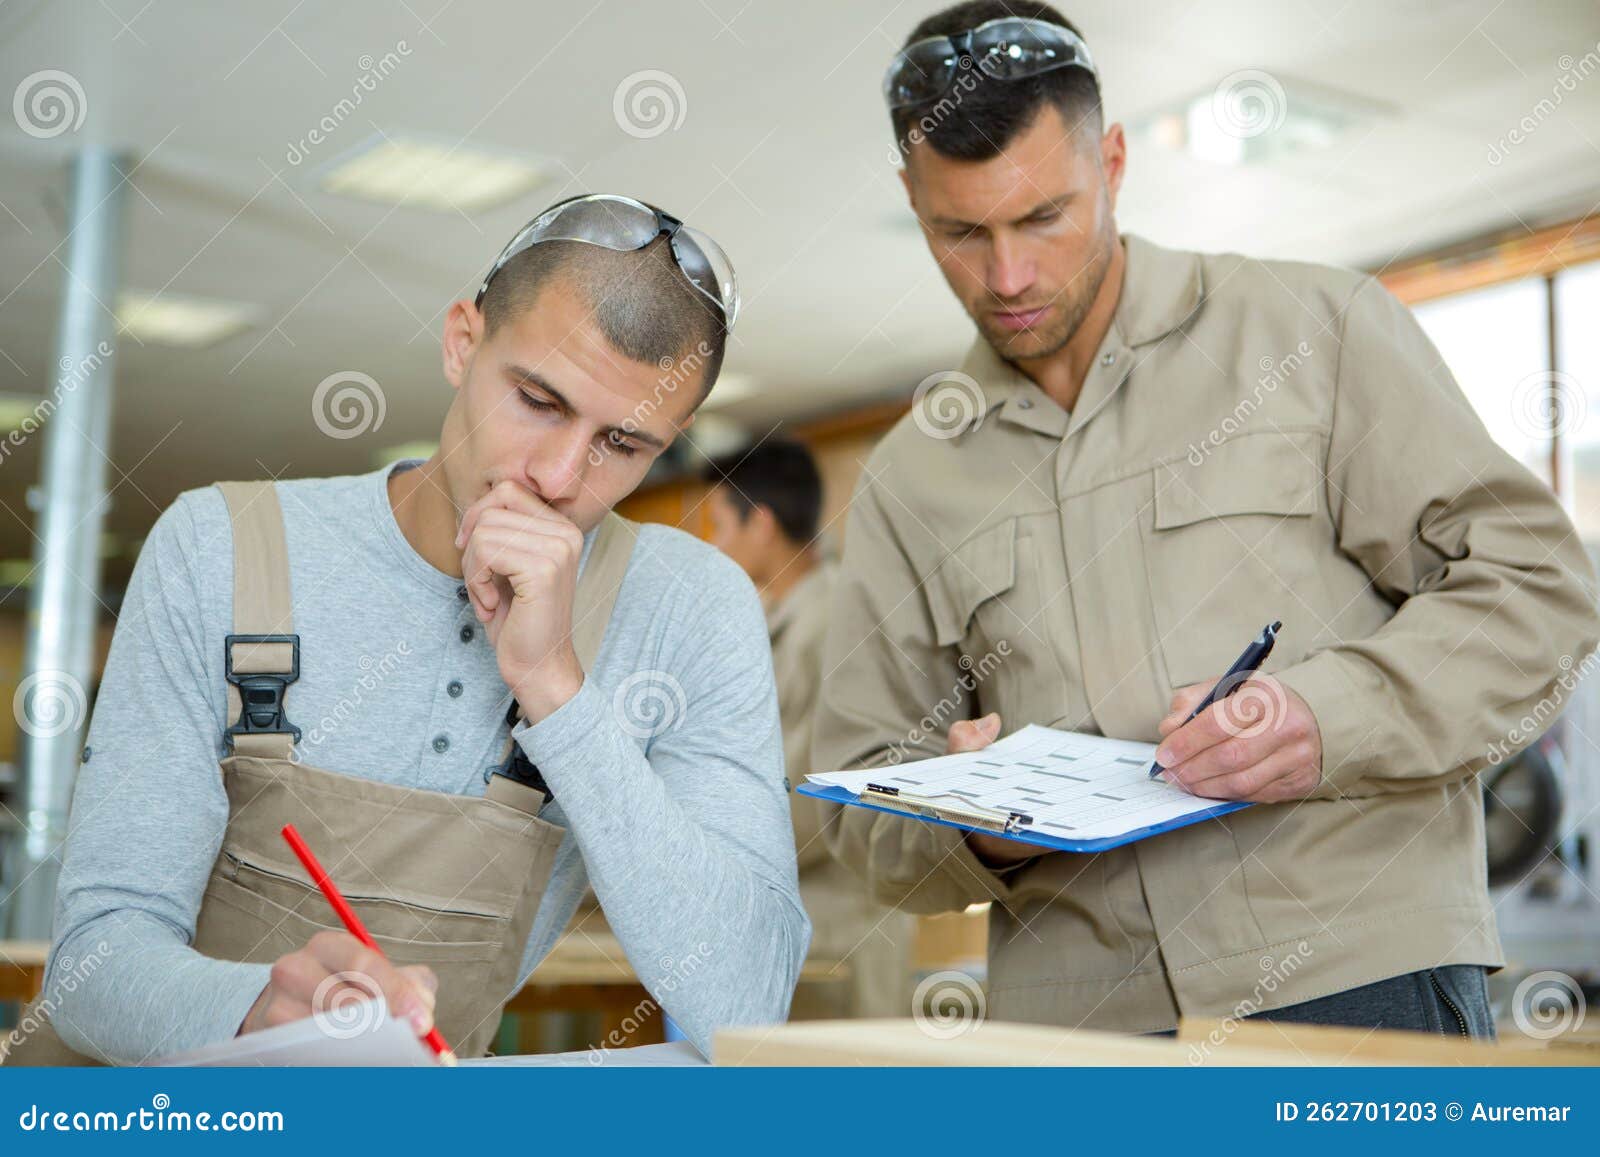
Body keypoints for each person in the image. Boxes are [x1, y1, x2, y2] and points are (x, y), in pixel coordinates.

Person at [813, 2, 1600, 1037]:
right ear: (913, 204)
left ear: (1115, 160)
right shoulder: (911, 477)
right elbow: (852, 806)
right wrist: (978, 829)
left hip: (1360, 977)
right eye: (960, 232)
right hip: (1078, 1028)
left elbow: (1538, 585)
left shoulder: (1312, 328)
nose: (1007, 276)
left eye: (1044, 215)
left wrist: (1327, 718)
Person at [3, 194, 808, 1066]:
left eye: (623, 442)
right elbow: (93, 961)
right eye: (537, 400)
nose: (557, 476)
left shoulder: (693, 609)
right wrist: (258, 1008)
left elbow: (744, 999)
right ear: (463, 341)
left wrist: (556, 688)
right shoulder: (218, 547)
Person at [703, 440, 915, 1018]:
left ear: (761, 523)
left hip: (839, 930)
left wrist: (709, 860)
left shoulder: (835, 622)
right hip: (797, 923)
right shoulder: (782, 618)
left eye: (721, 524)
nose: (715, 544)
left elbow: (815, 790)